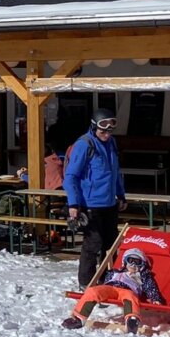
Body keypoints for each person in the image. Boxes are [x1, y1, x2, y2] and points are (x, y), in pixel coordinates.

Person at [64, 108, 126, 287]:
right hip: (90, 204)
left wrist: (121, 195)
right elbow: (71, 176)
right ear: (94, 127)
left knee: (111, 245)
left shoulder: (112, 143)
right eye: (102, 131)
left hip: (109, 203)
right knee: (93, 244)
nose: (106, 134)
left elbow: (115, 172)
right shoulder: (84, 145)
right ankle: (86, 282)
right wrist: (73, 204)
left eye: (109, 130)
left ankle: (107, 279)